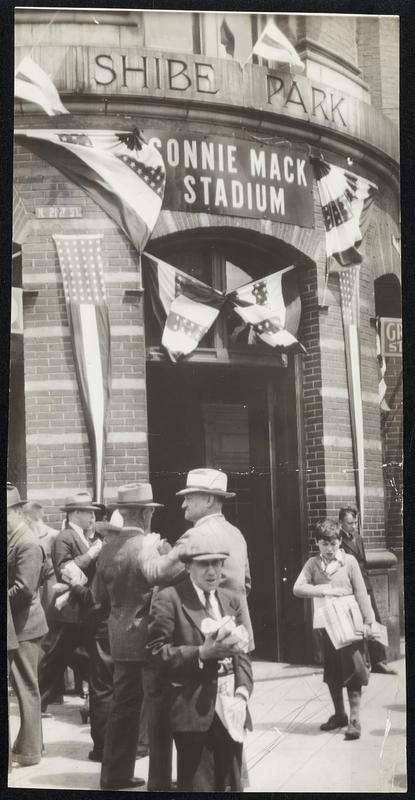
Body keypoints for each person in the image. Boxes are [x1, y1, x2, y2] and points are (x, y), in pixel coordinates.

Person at [140, 467, 254, 791]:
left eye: (188, 498)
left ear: (207, 499)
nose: (183, 506)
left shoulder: (195, 537)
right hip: (236, 640)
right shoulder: (236, 534)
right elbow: (246, 583)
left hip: (194, 642)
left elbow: (156, 573)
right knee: (230, 726)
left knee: (177, 725)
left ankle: (166, 784)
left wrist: (149, 548)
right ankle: (233, 781)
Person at [93, 481, 169, 791]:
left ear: (123, 513)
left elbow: (99, 598)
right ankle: (159, 780)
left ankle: (113, 775)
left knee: (122, 707)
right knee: (157, 708)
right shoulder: (147, 546)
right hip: (148, 636)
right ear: (147, 512)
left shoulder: (107, 547)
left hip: (119, 636)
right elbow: (163, 578)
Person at [293, 519, 375, 740]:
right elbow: (298, 588)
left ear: (340, 541)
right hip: (327, 626)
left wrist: (368, 621)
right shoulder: (313, 564)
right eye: (324, 544)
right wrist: (324, 590)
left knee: (353, 669)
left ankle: (355, 719)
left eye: (333, 543)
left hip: (349, 624)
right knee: (332, 671)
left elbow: (361, 592)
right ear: (317, 543)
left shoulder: (349, 562)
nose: (329, 549)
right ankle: (340, 714)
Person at [38, 491, 102, 716]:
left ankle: (89, 701)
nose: (92, 517)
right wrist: (92, 554)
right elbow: (64, 569)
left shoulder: (83, 536)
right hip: (67, 611)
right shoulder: (65, 537)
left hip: (79, 611)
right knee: (55, 659)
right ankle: (35, 703)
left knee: (78, 656)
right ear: (75, 513)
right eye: (88, 512)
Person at [7, 483, 48, 766]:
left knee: (26, 688)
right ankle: (31, 745)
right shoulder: (14, 537)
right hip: (16, 624)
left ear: (19, 511)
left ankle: (31, 752)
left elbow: (24, 590)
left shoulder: (27, 543)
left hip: (25, 626)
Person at [338, 506, 397, 675]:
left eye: (355, 522)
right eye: (350, 523)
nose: (354, 526)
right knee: (355, 625)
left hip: (366, 585)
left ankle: (379, 661)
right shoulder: (338, 539)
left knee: (375, 621)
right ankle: (360, 664)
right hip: (350, 589)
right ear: (341, 522)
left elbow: (363, 563)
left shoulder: (358, 537)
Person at [23, 500, 59, 618]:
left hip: (50, 579)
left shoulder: (54, 535)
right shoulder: (25, 537)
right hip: (32, 581)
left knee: (49, 611)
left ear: (27, 518)